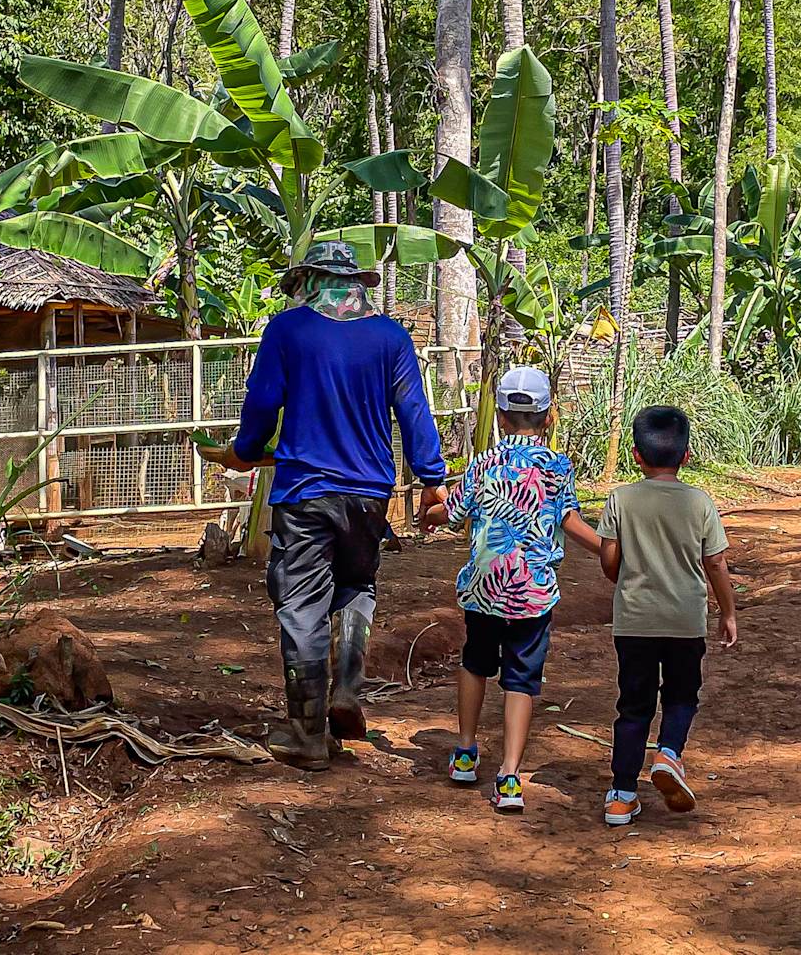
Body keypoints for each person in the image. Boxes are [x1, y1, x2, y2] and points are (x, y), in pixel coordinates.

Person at [200, 241, 448, 771]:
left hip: (305, 494)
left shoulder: (286, 331)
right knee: (358, 585)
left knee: (302, 607)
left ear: (308, 280)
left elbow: (263, 405)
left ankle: (308, 734)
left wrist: (243, 453)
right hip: (369, 496)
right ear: (357, 283)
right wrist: (432, 478)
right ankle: (348, 689)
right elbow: (413, 410)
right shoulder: (391, 336)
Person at [422, 367, 600, 812]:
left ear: (500, 416)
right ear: (548, 417)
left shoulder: (483, 464)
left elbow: (454, 512)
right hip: (532, 592)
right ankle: (509, 777)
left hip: (484, 588)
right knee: (521, 680)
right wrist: (607, 549)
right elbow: (569, 521)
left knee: (475, 663)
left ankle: (464, 752)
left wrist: (431, 513)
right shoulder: (558, 467)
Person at [595, 405, 738, 826]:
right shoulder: (699, 502)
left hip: (635, 620)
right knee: (681, 695)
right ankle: (670, 753)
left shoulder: (620, 499)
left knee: (633, 704)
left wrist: (627, 577)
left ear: (636, 455)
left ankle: (621, 795)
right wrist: (728, 612)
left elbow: (609, 560)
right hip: (684, 620)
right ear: (687, 455)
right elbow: (715, 564)